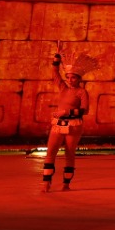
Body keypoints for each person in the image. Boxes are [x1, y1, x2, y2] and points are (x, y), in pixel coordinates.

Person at [41, 44, 99, 192]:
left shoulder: (82, 92)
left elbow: (84, 110)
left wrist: (65, 112)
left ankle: (66, 184)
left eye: (73, 77)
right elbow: (55, 73)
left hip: (74, 125)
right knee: (51, 152)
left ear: (79, 79)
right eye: (68, 77)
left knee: (69, 152)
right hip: (58, 124)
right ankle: (46, 183)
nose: (70, 80)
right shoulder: (63, 88)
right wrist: (57, 57)